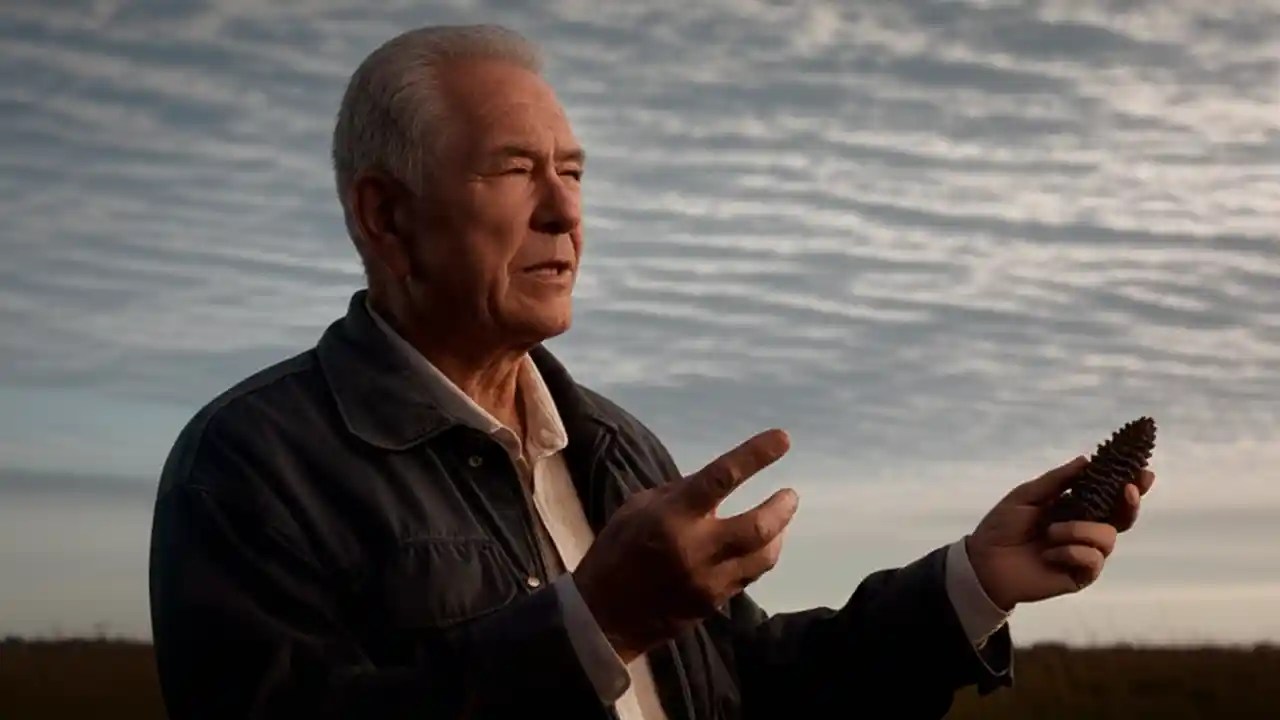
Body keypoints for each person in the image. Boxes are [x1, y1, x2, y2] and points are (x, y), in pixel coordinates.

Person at [147, 23, 1155, 720]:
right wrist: (594, 626)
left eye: (574, 172)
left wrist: (973, 583)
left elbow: (759, 689)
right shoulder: (249, 466)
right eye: (512, 168)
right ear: (384, 213)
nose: (565, 213)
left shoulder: (615, 445)